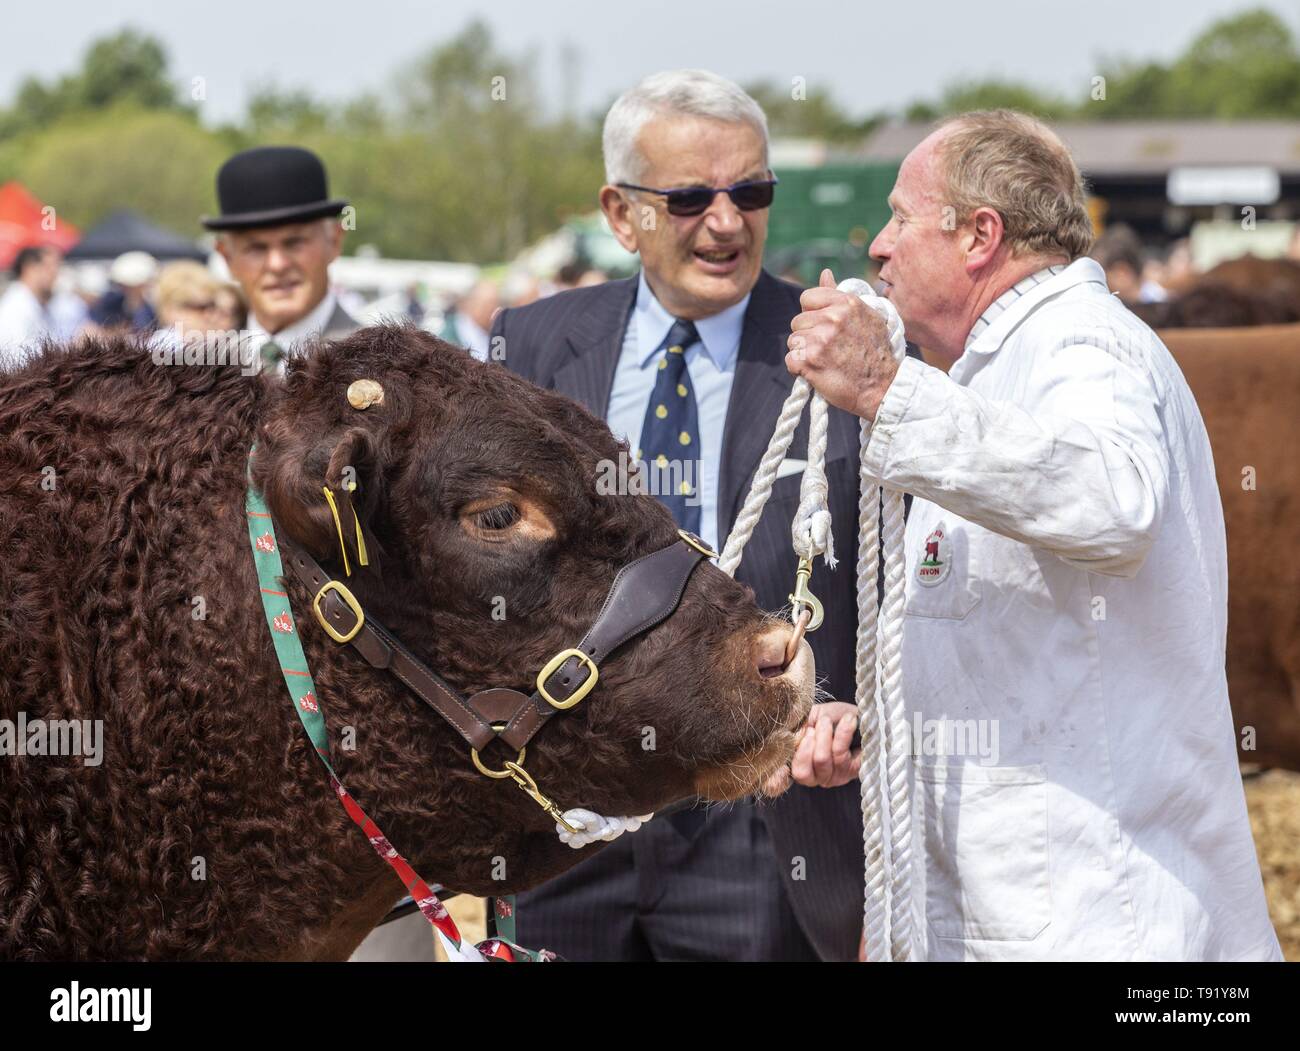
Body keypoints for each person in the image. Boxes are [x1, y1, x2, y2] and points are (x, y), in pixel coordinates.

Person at [785, 109, 1280, 962]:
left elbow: (1111, 502)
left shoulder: (1082, 345)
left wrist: (885, 387)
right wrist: (881, 727)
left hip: (1100, 914)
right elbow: (1022, 645)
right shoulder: (997, 365)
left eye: (902, 217)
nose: (880, 247)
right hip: (1025, 905)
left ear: (980, 235)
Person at [490, 69, 867, 961]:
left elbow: (912, 591)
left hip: (760, 816)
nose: (728, 221)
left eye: (751, 190)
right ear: (623, 216)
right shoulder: (532, 343)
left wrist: (855, 718)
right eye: (691, 196)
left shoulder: (843, 355)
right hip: (565, 816)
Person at [203, 145, 359, 372]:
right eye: (256, 248)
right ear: (227, 257)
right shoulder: (198, 376)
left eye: (294, 243)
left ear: (334, 241)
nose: (277, 264)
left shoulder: (389, 370)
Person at [0, 245, 62, 363]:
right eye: (48, 267)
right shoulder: (16, 308)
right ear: (28, 268)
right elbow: (17, 360)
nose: (55, 274)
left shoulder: (32, 305)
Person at [439, 279, 499, 361]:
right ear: (470, 304)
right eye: (488, 304)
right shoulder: (448, 338)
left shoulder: (496, 336)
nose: (493, 310)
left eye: (495, 304)